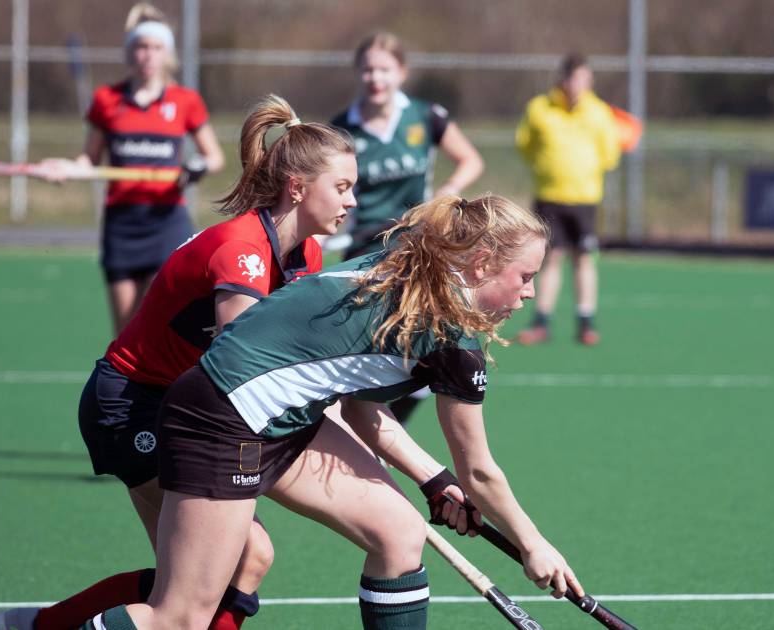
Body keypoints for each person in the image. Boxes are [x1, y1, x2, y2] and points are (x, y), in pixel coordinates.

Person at [83, 194, 586, 630]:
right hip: (223, 417)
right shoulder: (452, 340)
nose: (530, 292)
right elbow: (478, 471)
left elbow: (362, 410)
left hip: (285, 420)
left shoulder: (409, 262)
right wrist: (533, 545)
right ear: (481, 263)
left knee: (398, 533)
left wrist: (433, 480)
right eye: (525, 276)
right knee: (179, 617)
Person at [0, 95, 352, 630]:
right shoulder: (242, 251)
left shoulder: (307, 254)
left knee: (192, 580)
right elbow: (245, 370)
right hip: (132, 405)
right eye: (342, 187)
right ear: (297, 188)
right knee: (240, 557)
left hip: (185, 406)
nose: (352, 200)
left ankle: (39, 626)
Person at [41, 2, 225, 334]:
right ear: (130, 52)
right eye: (141, 47)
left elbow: (214, 157)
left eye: (156, 47)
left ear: (167, 53)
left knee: (160, 324)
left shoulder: (185, 101)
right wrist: (66, 169)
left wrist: (198, 166)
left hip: (167, 222)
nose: (148, 55)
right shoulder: (107, 100)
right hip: (122, 225)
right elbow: (89, 160)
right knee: (126, 333)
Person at [330, 31, 484, 423]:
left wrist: (448, 192)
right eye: (368, 70)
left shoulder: (424, 115)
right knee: (363, 344)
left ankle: (386, 426)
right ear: (358, 72)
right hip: (366, 247)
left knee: (427, 337)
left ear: (401, 72)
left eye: (384, 69)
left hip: (418, 243)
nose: (375, 78)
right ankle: (354, 424)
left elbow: (470, 159)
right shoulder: (343, 128)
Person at [513, 53, 621, 347]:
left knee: (584, 258)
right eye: (574, 79)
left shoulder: (599, 112)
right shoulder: (539, 108)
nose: (579, 85)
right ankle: (541, 322)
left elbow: (609, 155)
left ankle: (586, 322)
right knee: (550, 258)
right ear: (563, 79)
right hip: (549, 197)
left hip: (585, 199)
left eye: (585, 79)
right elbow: (525, 145)